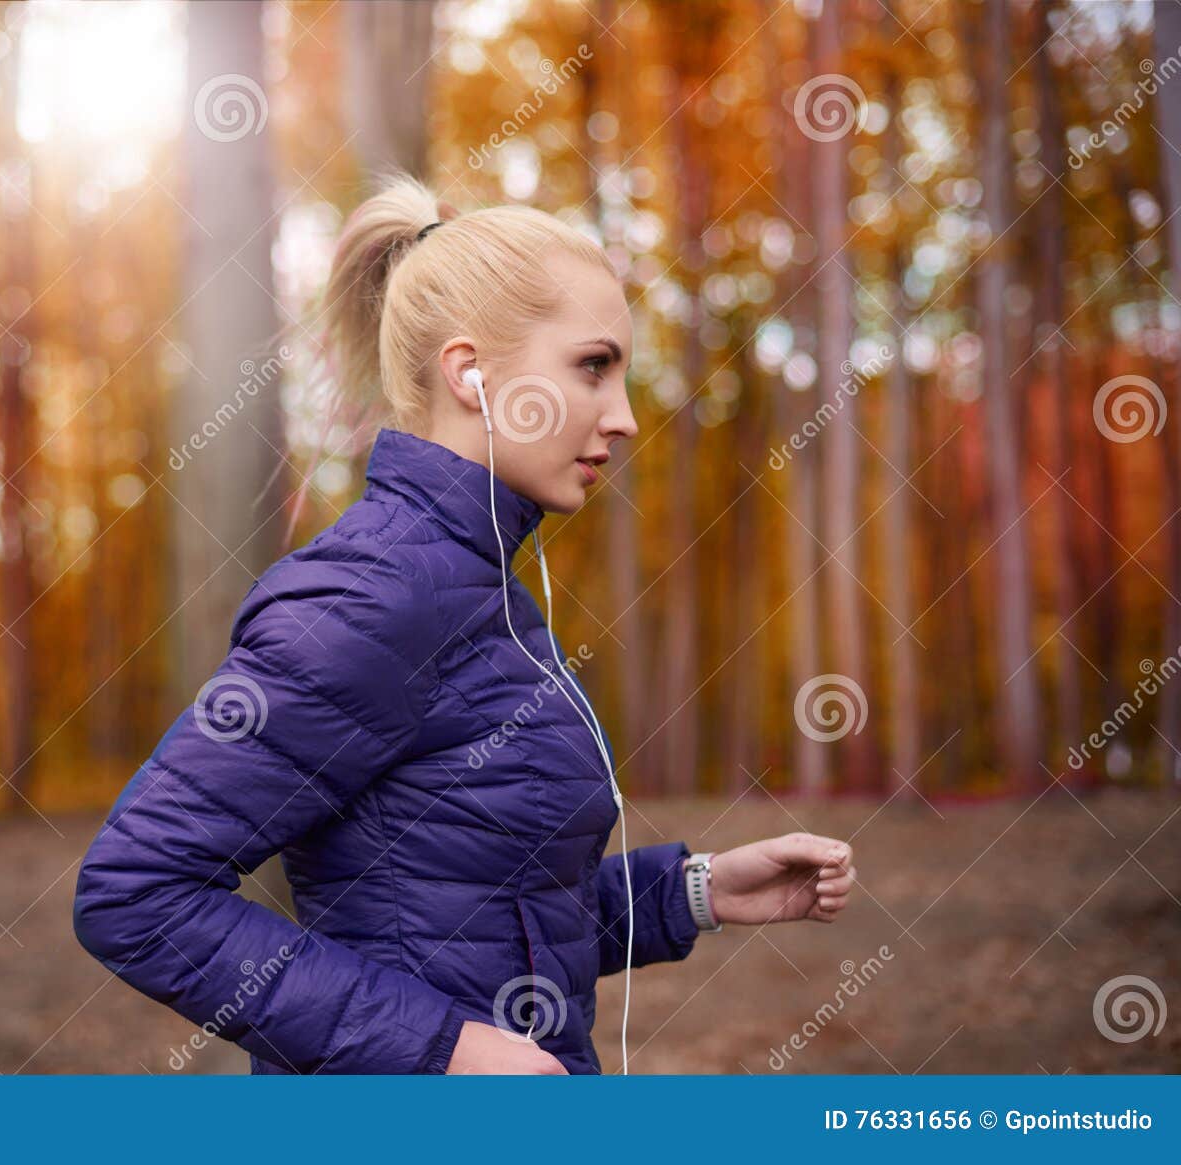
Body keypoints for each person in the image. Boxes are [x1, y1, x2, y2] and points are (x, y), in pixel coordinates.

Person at [72, 173, 857, 1075]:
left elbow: (485, 914)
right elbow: (136, 892)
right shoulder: (369, 593)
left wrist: (696, 892)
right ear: (468, 372)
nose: (625, 417)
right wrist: (444, 1050)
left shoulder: (484, 593)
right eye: (593, 366)